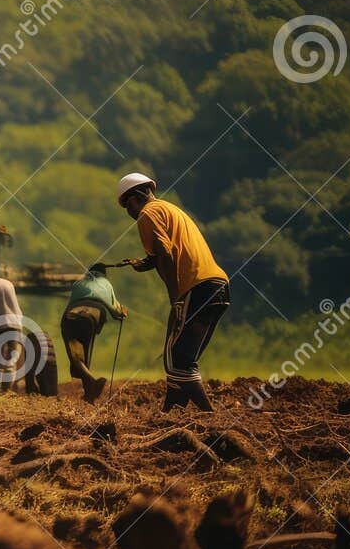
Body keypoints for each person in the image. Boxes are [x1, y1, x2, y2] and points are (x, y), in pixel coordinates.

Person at [116, 172, 231, 412]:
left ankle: (211, 416)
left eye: (127, 205)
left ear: (136, 197)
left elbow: (166, 254)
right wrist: (145, 263)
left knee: (177, 360)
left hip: (196, 287)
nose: (129, 212)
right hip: (218, 286)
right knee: (182, 357)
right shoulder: (170, 209)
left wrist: (175, 298)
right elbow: (166, 252)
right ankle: (168, 415)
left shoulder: (147, 214)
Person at [61, 264, 127, 402]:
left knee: (75, 356)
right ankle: (89, 393)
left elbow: (72, 301)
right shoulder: (106, 284)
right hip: (93, 317)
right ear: (104, 274)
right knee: (85, 352)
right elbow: (116, 310)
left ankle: (92, 383)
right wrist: (122, 312)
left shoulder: (79, 282)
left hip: (73, 313)